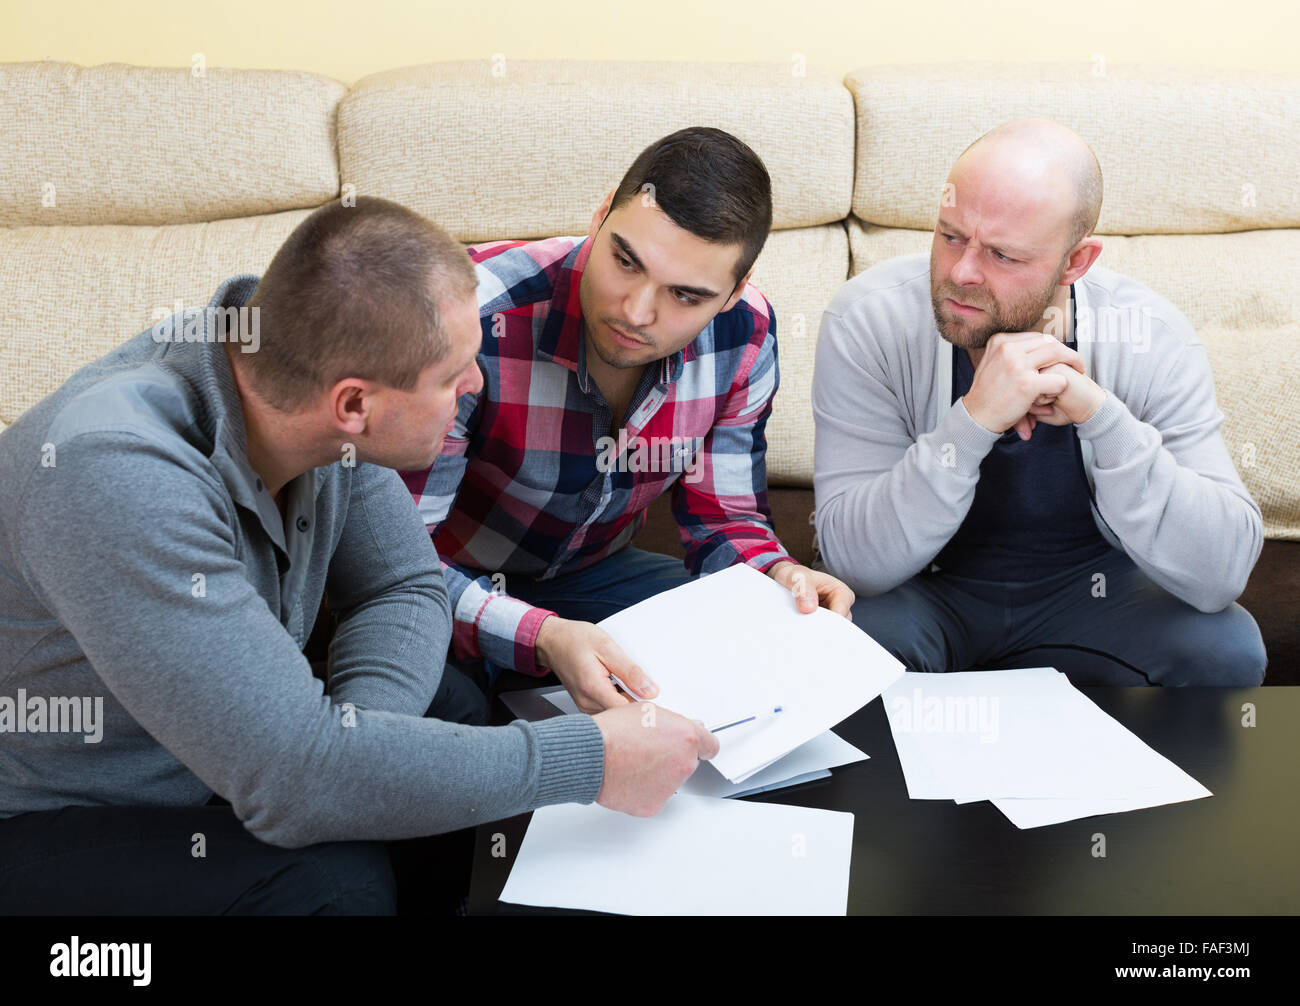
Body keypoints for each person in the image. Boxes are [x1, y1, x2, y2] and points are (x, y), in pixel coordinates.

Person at [0, 197, 717, 915]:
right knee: (331, 885)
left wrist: (358, 760)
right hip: (58, 809)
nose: (476, 387)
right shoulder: (117, 475)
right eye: (453, 375)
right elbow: (295, 784)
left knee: (452, 707)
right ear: (354, 405)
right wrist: (591, 760)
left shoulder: (301, 372)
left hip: (227, 751)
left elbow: (403, 586)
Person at [400, 127, 854, 714]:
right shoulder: (471, 314)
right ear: (599, 217)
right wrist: (542, 636)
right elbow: (398, 559)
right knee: (437, 716)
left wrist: (779, 575)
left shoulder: (747, 334)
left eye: (686, 296)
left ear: (734, 292)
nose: (636, 313)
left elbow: (725, 519)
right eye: (624, 261)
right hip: (446, 580)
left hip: (598, 576)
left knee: (753, 661)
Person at [812, 118, 1266, 686]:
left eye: (1004, 255)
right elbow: (856, 561)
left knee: (1226, 649)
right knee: (841, 639)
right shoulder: (867, 319)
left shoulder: (1151, 335)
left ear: (1076, 262)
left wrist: (1105, 421)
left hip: (1096, 597)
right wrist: (972, 422)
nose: (962, 273)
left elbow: (1220, 572)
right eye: (951, 235)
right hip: (925, 596)